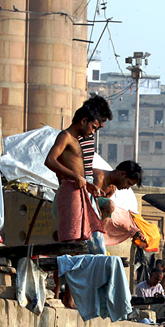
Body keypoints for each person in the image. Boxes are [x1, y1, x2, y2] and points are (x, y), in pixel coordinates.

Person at [46, 103, 114, 242]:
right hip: (69, 190)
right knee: (70, 236)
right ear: (83, 121)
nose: (93, 132)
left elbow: (77, 169)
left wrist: (89, 186)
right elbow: (49, 160)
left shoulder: (77, 140)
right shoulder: (65, 136)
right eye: (93, 127)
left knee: (81, 237)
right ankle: (67, 262)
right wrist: (75, 176)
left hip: (80, 190)